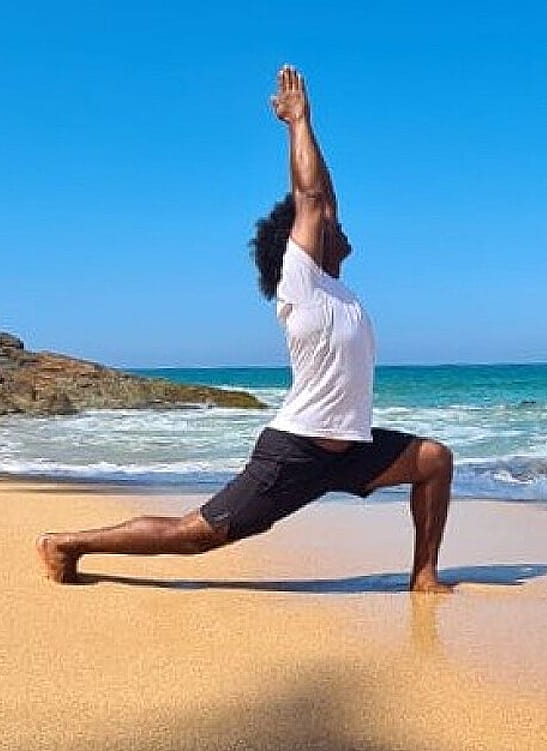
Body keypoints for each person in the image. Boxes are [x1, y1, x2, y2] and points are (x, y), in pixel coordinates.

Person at [36, 65, 454, 593]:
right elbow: (311, 198)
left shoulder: (336, 291)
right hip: (296, 453)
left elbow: (323, 196)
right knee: (194, 535)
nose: (340, 225)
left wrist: (319, 177)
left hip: (351, 451)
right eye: (331, 224)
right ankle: (68, 544)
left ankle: (423, 576)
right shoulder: (300, 282)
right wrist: (299, 123)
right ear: (303, 241)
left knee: (435, 460)